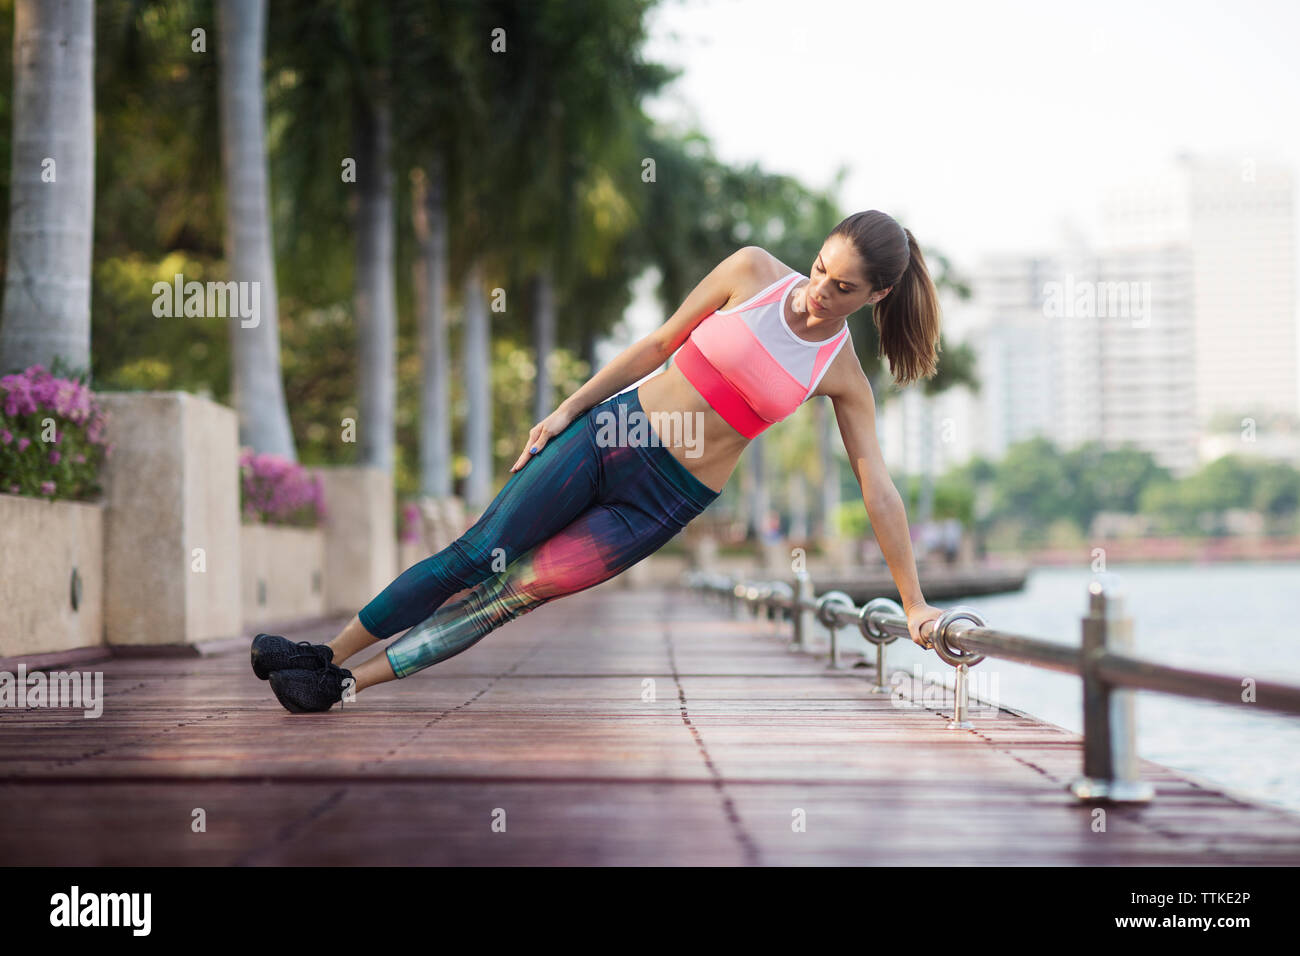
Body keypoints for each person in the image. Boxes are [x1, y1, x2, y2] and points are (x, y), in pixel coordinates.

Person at [251, 210, 949, 712]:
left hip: (661, 505)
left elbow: (876, 486)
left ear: (877, 296)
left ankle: (345, 686)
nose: (818, 292)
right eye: (822, 268)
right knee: (476, 554)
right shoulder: (753, 273)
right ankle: (324, 654)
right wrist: (566, 410)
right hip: (613, 433)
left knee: (510, 595)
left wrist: (913, 603)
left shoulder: (841, 372)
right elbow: (655, 346)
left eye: (842, 289)